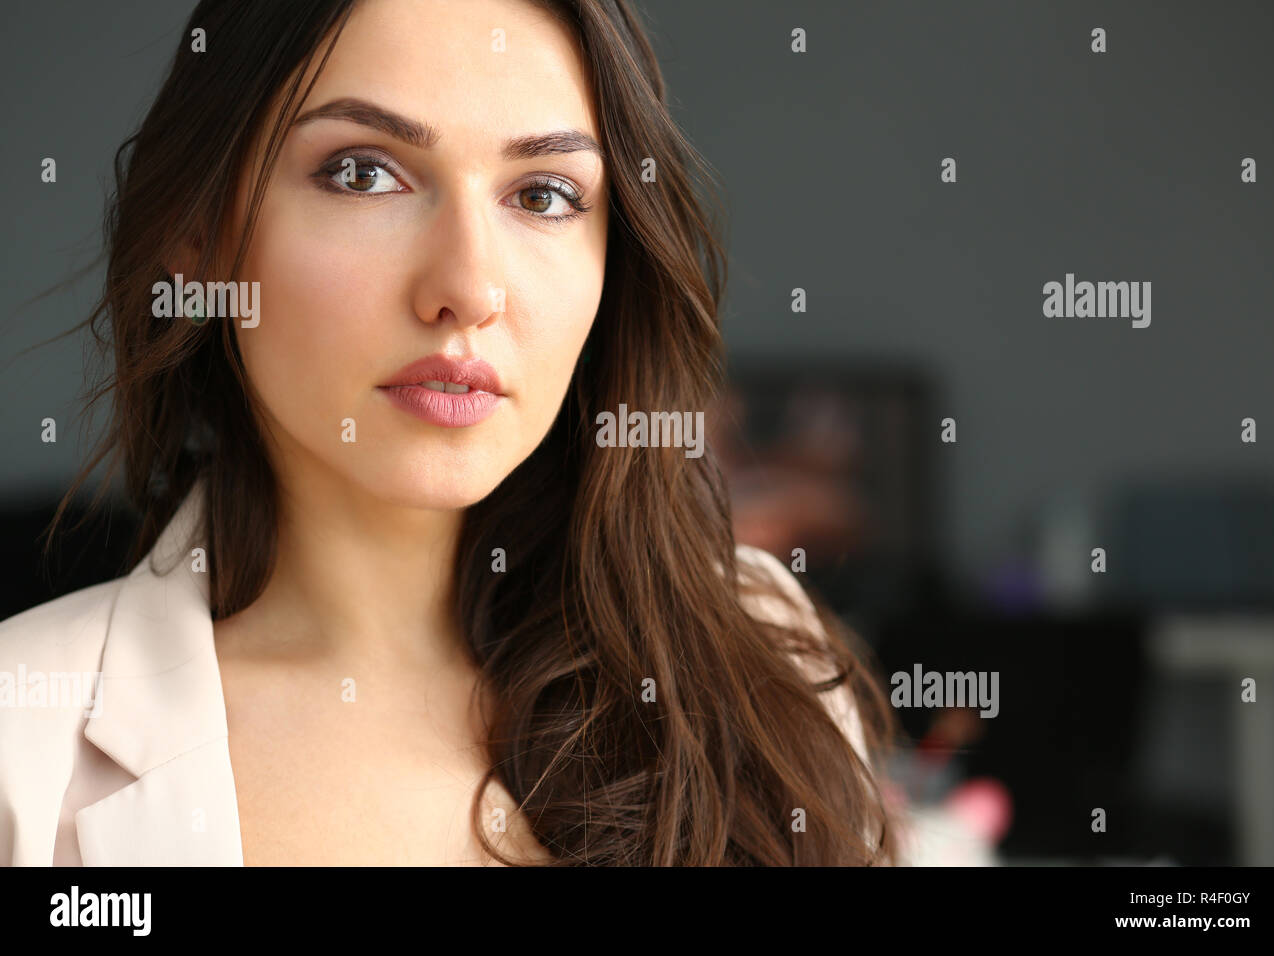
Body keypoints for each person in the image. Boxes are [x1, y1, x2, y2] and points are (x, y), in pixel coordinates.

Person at [0, 0, 898, 866]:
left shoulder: (763, 654)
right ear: (201, 233)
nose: (468, 287)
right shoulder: (21, 736)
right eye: (362, 173)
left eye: (544, 194)